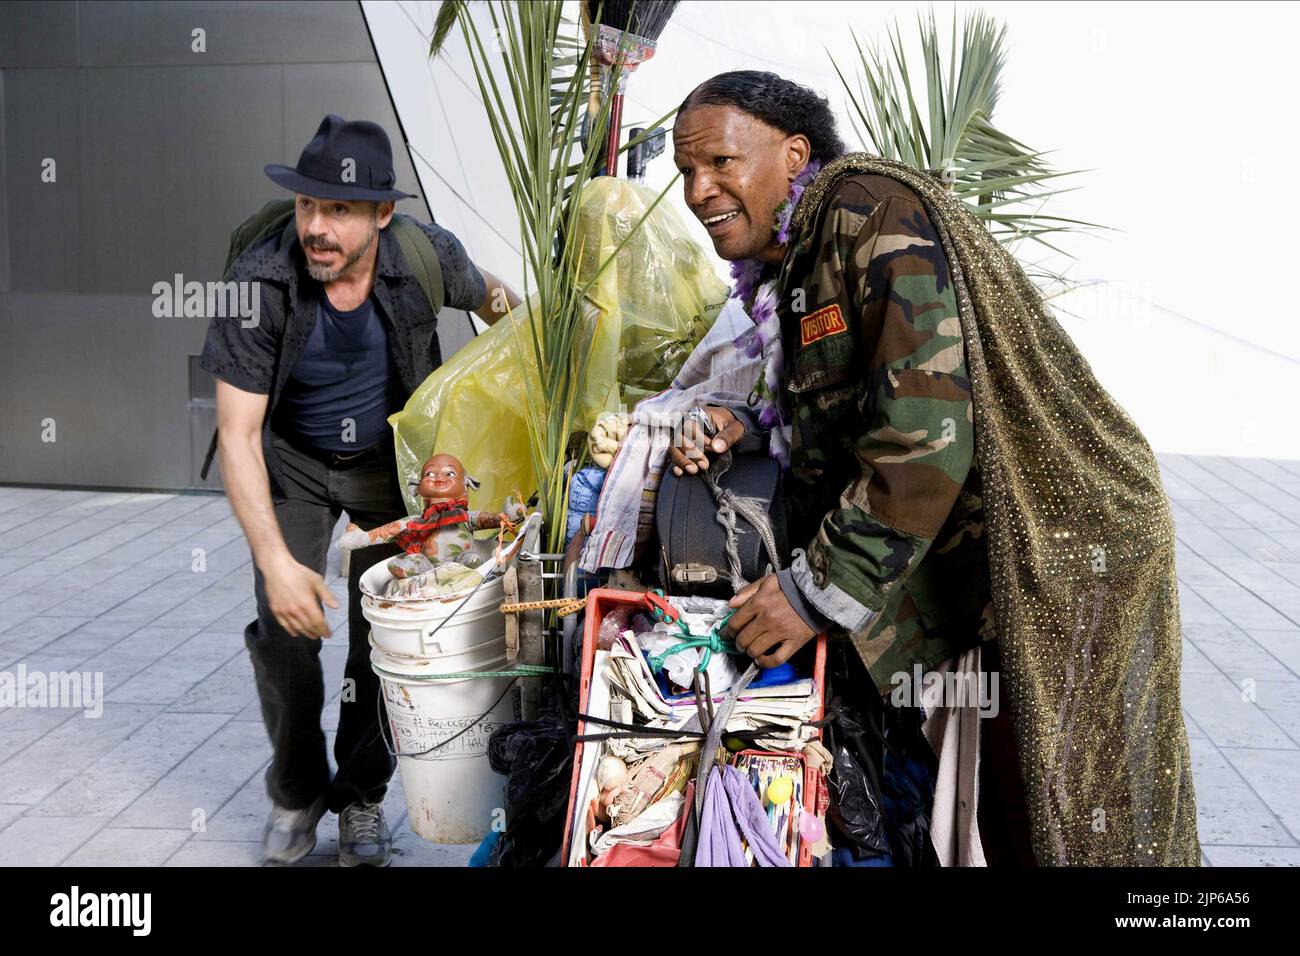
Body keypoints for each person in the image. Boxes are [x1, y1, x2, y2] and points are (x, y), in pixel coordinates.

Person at [667, 71, 1199, 866]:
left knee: (1057, 807)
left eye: (720, 163)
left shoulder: (866, 214)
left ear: (794, 153)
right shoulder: (804, 257)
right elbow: (843, 400)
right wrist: (742, 423)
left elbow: (923, 435)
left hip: (1065, 545)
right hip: (974, 560)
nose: (700, 190)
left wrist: (811, 594)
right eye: (686, 173)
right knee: (986, 794)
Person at [199, 114, 520, 866]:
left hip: (387, 463)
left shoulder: (424, 255)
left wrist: (544, 363)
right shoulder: (262, 281)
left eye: (338, 210)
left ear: (383, 214)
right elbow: (238, 434)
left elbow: (500, 305)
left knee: (383, 638)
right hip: (294, 459)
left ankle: (362, 796)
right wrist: (281, 566)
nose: (316, 226)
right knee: (285, 630)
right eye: (308, 205)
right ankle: (297, 789)